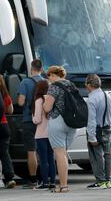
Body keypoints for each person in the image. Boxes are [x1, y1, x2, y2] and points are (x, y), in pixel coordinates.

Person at [43, 65, 77, 193]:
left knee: (60, 154)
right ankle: (64, 184)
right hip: (72, 122)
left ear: (53, 74)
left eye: (49, 76)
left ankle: (63, 185)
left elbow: (47, 108)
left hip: (58, 121)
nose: (49, 79)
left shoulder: (54, 87)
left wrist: (45, 100)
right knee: (63, 153)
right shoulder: (71, 85)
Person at [17, 59, 44, 188]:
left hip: (29, 120)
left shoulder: (25, 82)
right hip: (43, 121)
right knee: (44, 150)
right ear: (41, 69)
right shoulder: (46, 83)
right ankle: (45, 177)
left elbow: (21, 102)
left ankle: (33, 180)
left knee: (31, 150)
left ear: (31, 69)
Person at [85, 74, 111, 190]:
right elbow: (110, 114)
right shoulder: (107, 95)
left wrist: (91, 137)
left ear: (89, 84)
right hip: (107, 128)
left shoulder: (91, 99)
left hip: (97, 130)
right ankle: (107, 180)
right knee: (107, 154)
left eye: (86, 83)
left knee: (96, 156)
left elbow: (91, 120)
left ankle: (100, 181)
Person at [32, 80, 57, 191]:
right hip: (51, 133)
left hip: (41, 134)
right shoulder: (51, 99)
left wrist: (32, 118)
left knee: (43, 160)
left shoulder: (39, 100)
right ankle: (53, 181)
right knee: (51, 158)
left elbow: (37, 120)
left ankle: (45, 182)